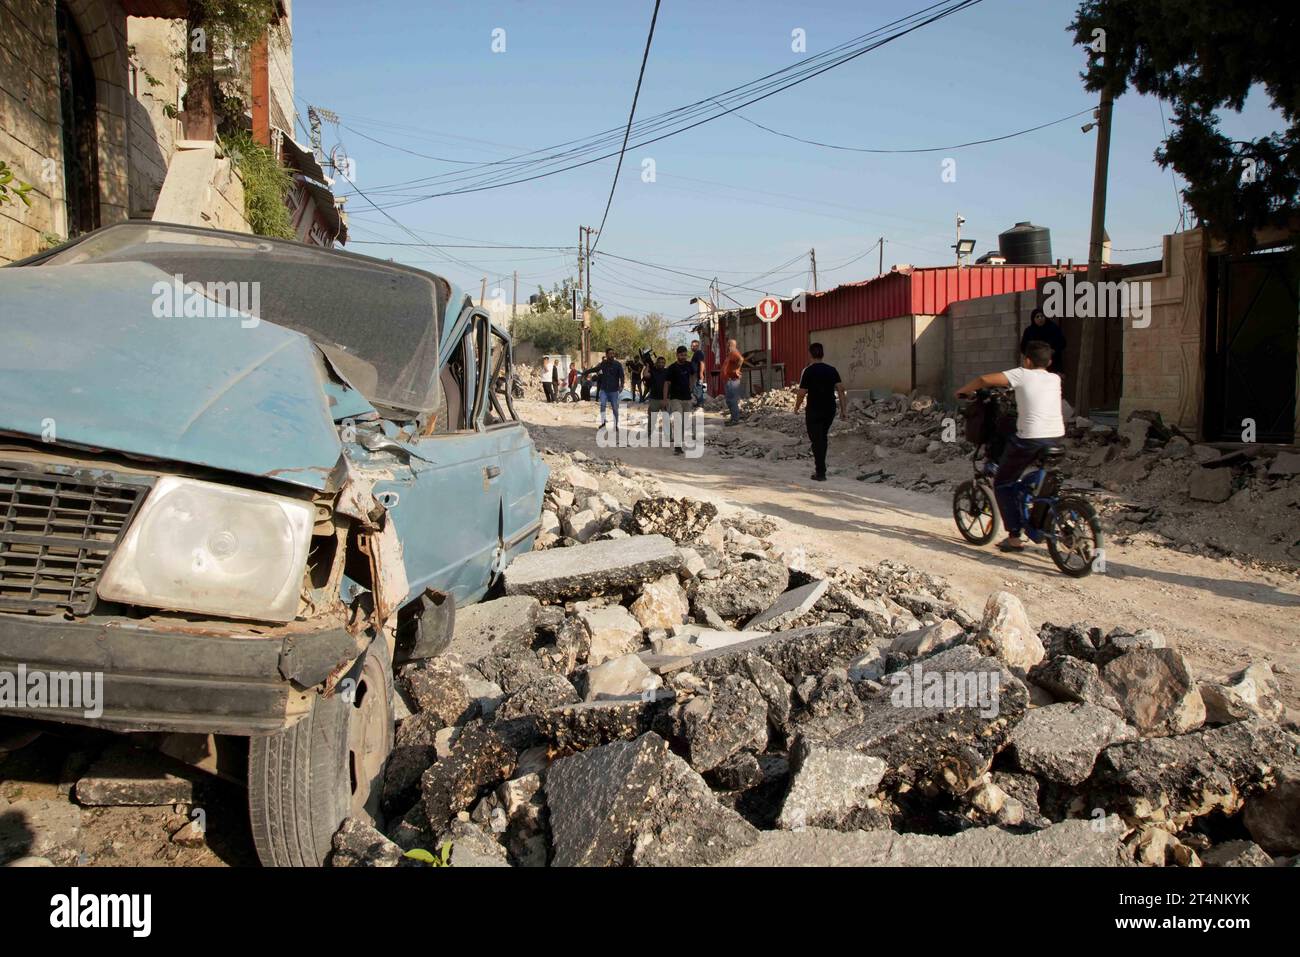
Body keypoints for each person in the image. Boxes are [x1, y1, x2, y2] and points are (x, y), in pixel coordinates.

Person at [955, 340, 1065, 553]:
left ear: (1027, 360)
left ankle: (1014, 538)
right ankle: (1029, 493)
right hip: (1056, 437)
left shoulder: (1023, 374)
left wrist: (962, 391)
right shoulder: (1054, 378)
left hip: (1030, 439)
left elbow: (984, 379)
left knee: (1003, 482)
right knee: (1028, 466)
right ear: (1049, 361)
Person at [792, 342, 846, 482]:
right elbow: (841, 389)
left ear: (810, 354)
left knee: (816, 439)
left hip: (814, 410)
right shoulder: (832, 370)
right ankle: (821, 468)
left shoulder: (808, 371)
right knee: (822, 437)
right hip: (829, 409)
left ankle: (820, 472)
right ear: (822, 354)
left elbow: (802, 393)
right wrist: (843, 410)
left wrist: (797, 408)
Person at [664, 346, 696, 455]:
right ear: (677, 355)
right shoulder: (672, 368)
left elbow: (693, 375)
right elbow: (667, 383)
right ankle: (677, 446)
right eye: (681, 355)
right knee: (678, 420)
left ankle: (679, 443)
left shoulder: (689, 365)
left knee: (684, 422)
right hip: (675, 398)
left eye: (685, 355)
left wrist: (692, 387)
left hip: (687, 398)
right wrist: (665, 399)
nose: (684, 357)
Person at [1020, 308, 1066, 377]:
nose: (1040, 318)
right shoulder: (1029, 331)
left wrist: (1052, 351)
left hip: (1052, 363)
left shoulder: (1053, 328)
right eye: (1037, 317)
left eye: (1042, 316)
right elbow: (1023, 347)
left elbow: (1062, 342)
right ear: (1033, 319)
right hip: (1035, 364)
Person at [593, 348, 625, 432]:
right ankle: (603, 423)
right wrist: (586, 373)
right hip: (604, 390)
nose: (612, 355)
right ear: (606, 355)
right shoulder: (603, 364)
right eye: (610, 354)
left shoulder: (618, 364)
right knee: (602, 406)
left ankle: (616, 425)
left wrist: (622, 385)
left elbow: (622, 376)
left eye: (613, 354)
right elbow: (596, 370)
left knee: (615, 408)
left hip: (614, 390)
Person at [720, 338, 745, 425]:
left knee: (732, 400)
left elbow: (741, 359)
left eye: (728, 344)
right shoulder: (730, 354)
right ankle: (733, 418)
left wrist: (737, 369)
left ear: (730, 345)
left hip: (732, 380)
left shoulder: (734, 352)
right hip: (729, 380)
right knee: (729, 400)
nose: (727, 346)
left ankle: (735, 420)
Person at [646, 355, 669, 444]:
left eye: (663, 363)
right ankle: (649, 434)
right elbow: (645, 375)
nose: (661, 364)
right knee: (652, 418)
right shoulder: (653, 371)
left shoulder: (667, 372)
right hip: (654, 399)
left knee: (666, 418)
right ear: (656, 363)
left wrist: (666, 399)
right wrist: (647, 366)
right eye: (659, 362)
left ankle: (668, 436)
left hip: (664, 399)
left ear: (665, 364)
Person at [690, 339, 707, 407]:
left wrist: (701, 373)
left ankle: (700, 404)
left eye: (693, 346)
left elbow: (702, 363)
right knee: (697, 389)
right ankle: (700, 403)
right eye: (691, 346)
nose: (692, 347)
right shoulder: (696, 353)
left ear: (697, 346)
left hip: (698, 375)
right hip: (696, 375)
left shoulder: (699, 352)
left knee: (698, 389)